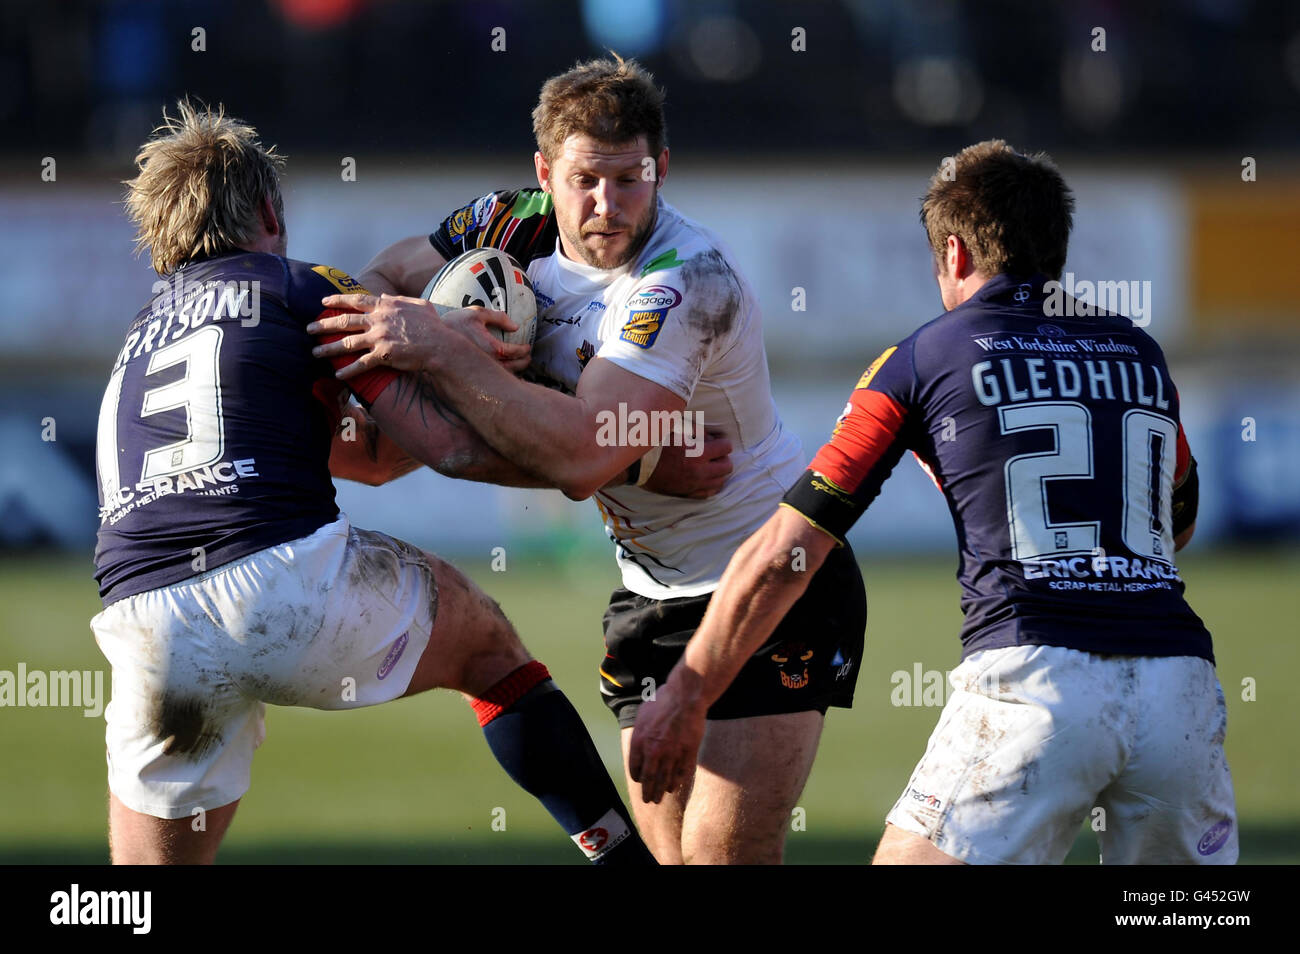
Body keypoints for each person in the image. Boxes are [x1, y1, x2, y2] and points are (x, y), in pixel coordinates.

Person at [310, 55, 868, 864]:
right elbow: (387, 275)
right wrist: (424, 319)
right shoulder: (507, 226)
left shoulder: (684, 280)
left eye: (630, 180)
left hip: (768, 580)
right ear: (544, 173)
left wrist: (438, 347)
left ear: (661, 168)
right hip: (649, 596)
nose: (607, 205)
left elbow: (578, 457)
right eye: (584, 181)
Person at [628, 140, 1239, 865]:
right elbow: (1181, 520)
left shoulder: (924, 357)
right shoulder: (1139, 353)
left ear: (952, 254)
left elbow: (791, 549)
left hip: (1035, 682)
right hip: (1181, 689)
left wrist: (690, 690)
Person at [91, 99, 658, 865]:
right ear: (267, 208)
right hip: (279, 581)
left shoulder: (139, 334)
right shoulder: (299, 288)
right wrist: (477, 377)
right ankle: (623, 856)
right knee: (487, 648)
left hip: (143, 624)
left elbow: (360, 455)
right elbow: (435, 450)